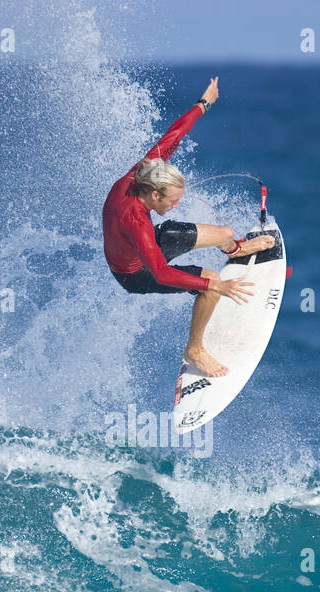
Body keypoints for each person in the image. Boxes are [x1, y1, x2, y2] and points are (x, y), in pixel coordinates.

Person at [102, 76, 275, 377]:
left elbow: (175, 134)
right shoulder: (135, 221)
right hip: (134, 272)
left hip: (147, 246)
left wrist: (203, 103)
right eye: (172, 201)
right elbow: (160, 273)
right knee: (208, 283)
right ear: (154, 195)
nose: (177, 206)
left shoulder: (145, 171)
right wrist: (216, 285)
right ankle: (194, 349)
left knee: (225, 234)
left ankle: (236, 249)